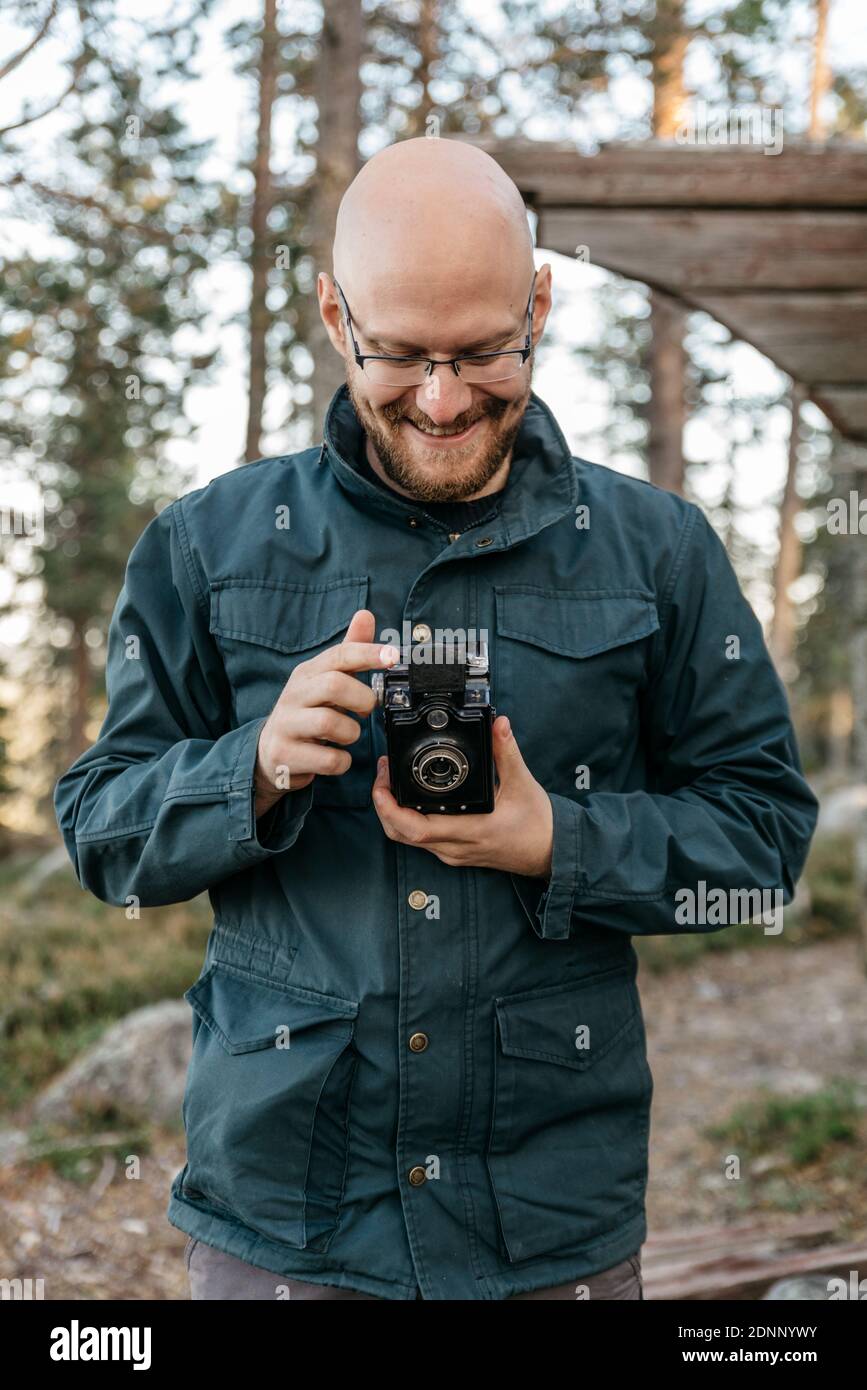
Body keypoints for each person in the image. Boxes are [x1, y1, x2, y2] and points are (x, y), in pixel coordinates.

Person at [54, 136, 819, 1301]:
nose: (444, 398)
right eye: (403, 354)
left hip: (551, 1224)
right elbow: (102, 832)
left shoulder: (659, 552)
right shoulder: (204, 546)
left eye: (483, 352)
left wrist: (558, 842)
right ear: (332, 315)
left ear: (542, 304)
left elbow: (763, 842)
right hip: (285, 1221)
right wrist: (248, 770)